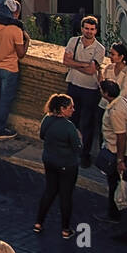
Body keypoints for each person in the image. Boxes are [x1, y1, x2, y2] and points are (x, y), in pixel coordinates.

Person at [33, 94, 82, 239]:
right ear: (62, 109)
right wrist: (81, 139)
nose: (73, 110)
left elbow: (42, 136)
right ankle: (66, 230)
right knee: (66, 196)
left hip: (50, 161)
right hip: (67, 165)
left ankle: (38, 223)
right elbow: (77, 148)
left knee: (49, 191)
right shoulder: (69, 127)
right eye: (70, 107)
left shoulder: (47, 120)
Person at [62, 15, 106, 167]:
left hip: (90, 90)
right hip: (73, 85)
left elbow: (91, 70)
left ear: (96, 30)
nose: (89, 31)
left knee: (87, 124)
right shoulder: (73, 41)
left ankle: (85, 154)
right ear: (82, 29)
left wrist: (74, 64)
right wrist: (83, 65)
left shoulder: (100, 49)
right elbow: (65, 61)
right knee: (71, 121)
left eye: (92, 29)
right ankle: (71, 150)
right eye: (86, 28)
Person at [94, 80, 127, 222]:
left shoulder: (115, 112)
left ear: (106, 94)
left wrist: (119, 160)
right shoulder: (122, 101)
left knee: (114, 183)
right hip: (122, 150)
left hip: (115, 152)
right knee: (123, 181)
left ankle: (114, 213)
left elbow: (121, 136)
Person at [0, 14, 27, 140]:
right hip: (10, 68)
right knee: (5, 99)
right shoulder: (16, 30)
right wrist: (28, 41)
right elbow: (21, 54)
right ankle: (0, 130)